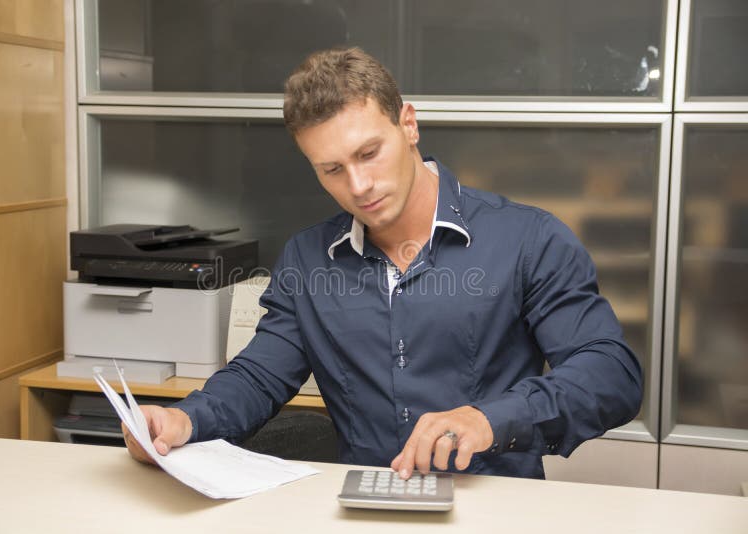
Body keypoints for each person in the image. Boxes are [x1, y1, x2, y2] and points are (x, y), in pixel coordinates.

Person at [123, 47, 642, 480]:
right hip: (366, 505)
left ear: (408, 125)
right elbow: (259, 377)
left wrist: (490, 418)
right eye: (332, 170)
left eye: (369, 153)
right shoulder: (307, 260)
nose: (358, 186)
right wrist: (181, 419)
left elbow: (610, 374)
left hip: (498, 509)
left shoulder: (528, 238)